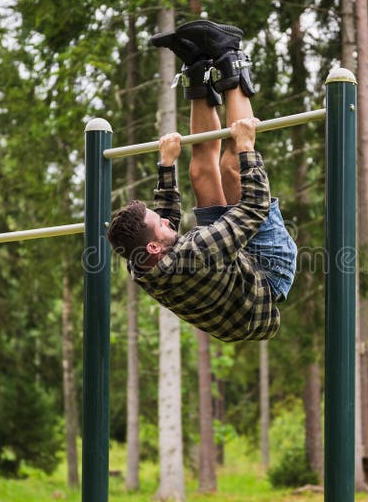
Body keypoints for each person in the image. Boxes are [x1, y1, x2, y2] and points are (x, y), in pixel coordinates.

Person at [107, 20, 297, 342]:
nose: (166, 221)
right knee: (231, 165)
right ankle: (230, 53)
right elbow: (254, 207)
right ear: (154, 246)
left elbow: (164, 223)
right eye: (160, 224)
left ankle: (198, 68)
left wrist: (167, 165)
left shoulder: (140, 263)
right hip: (267, 274)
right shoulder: (194, 252)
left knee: (200, 172)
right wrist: (247, 145)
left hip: (225, 271)